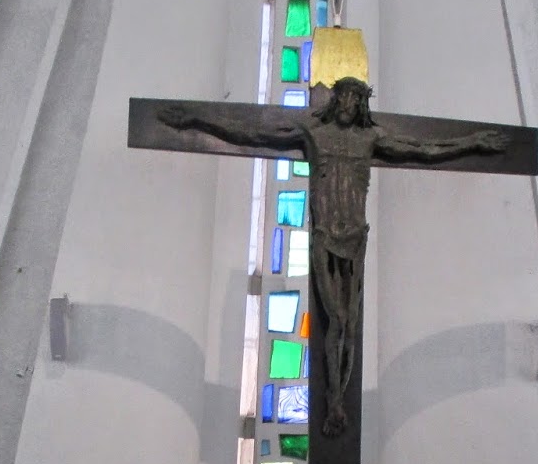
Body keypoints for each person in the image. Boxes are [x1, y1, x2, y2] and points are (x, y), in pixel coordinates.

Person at [159, 79, 507, 436]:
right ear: (335, 99)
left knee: (348, 325)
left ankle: (337, 402)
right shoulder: (314, 132)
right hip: (325, 237)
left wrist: (472, 142)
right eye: (343, 95)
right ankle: (334, 401)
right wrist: (197, 121)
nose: (347, 103)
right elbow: (255, 133)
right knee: (336, 319)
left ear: (362, 106)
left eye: (356, 99)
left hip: (356, 238)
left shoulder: (370, 139)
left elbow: (424, 148)